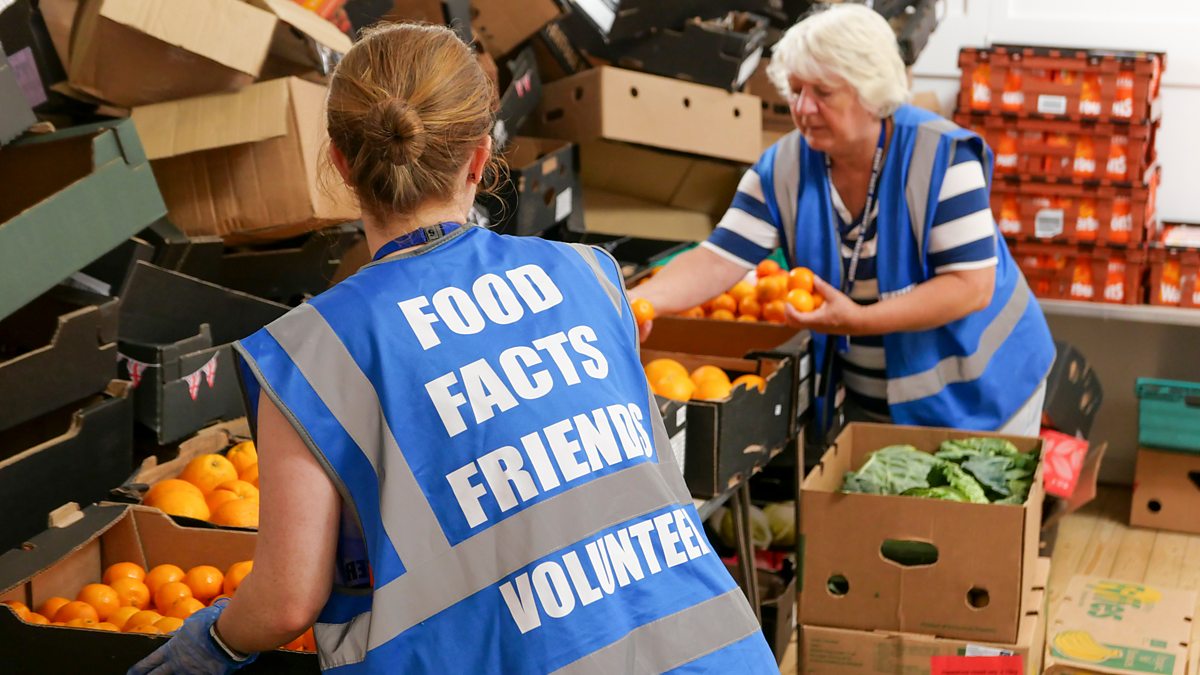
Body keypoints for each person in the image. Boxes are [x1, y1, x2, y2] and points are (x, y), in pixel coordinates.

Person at [128, 23, 776, 675]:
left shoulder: (311, 352)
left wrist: (210, 643)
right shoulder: (591, 274)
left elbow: (287, 600)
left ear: (340, 160)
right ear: (478, 157)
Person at [631, 5, 1054, 435]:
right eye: (795, 90)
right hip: (878, 401)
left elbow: (971, 287)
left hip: (984, 391)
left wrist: (857, 320)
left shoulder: (941, 157)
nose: (803, 108)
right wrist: (641, 304)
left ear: (870, 90)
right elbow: (717, 259)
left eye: (823, 92)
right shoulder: (783, 167)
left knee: (973, 501)